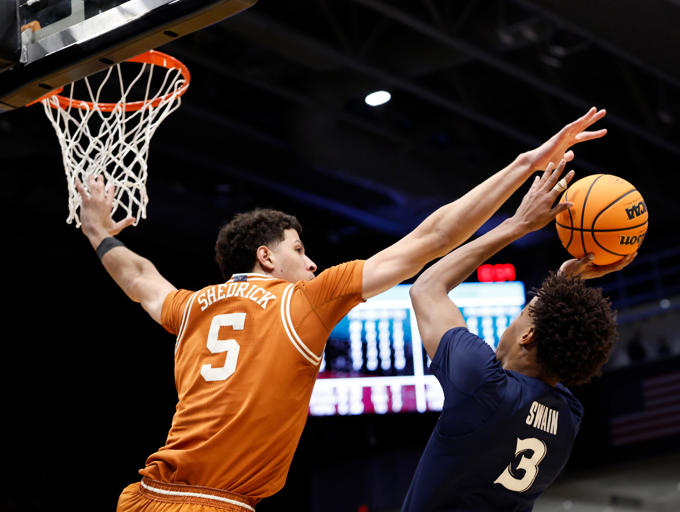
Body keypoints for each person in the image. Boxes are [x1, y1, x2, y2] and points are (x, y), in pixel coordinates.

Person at [75, 107, 608, 511]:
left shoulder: (191, 307)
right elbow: (434, 237)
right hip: (214, 504)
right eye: (299, 250)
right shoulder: (305, 299)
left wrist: (98, 229)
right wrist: (524, 165)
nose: (311, 262)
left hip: (146, 495)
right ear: (266, 257)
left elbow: (140, 279)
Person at [403, 158, 636, 511]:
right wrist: (562, 281)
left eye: (524, 311)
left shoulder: (483, 386)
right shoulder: (567, 416)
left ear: (528, 337)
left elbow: (427, 288)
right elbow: (558, 342)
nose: (515, 319)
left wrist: (517, 225)